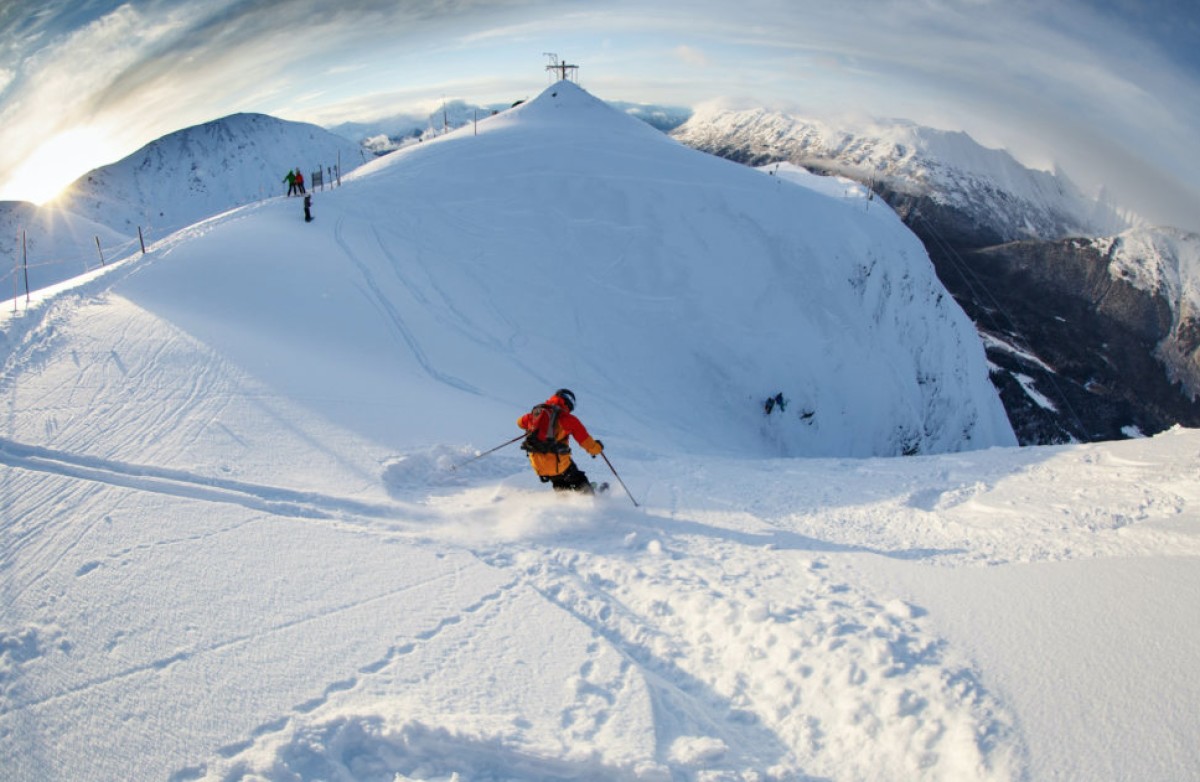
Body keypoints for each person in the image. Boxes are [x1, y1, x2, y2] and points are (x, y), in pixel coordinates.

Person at [517, 388, 604, 493]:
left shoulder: (537, 413)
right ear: (569, 403)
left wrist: (535, 424)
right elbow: (587, 443)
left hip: (538, 464)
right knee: (577, 477)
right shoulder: (568, 419)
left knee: (558, 481)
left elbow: (520, 423)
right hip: (558, 463)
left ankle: (563, 501)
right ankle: (589, 497)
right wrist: (597, 448)